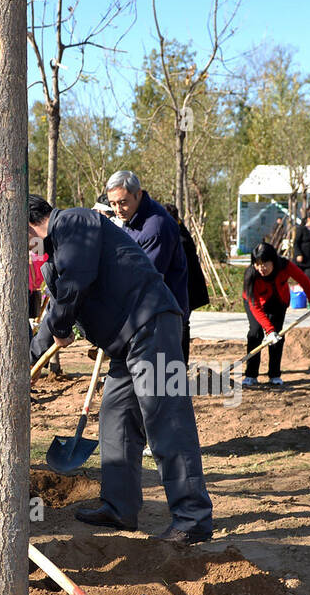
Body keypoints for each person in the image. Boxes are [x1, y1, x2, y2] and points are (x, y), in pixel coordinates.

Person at [28, 194, 212, 544]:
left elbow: (76, 282)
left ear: (28, 224)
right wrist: (30, 357)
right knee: (115, 419)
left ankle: (192, 518)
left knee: (165, 419)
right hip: (125, 344)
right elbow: (58, 305)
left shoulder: (73, 222)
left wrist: (64, 326)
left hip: (150, 325)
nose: (27, 250)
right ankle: (120, 506)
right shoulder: (57, 248)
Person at [104, 170, 189, 315]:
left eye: (123, 202)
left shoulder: (156, 227)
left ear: (138, 194)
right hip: (145, 311)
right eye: (113, 204)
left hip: (163, 315)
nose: (118, 210)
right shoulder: (132, 218)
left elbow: (145, 279)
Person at [241, 242, 310, 387]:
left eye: (264, 264)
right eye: (257, 264)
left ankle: (274, 375)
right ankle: (251, 375)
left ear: (273, 261)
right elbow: (255, 306)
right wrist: (268, 330)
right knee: (255, 333)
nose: (261, 268)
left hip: (278, 301)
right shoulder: (251, 276)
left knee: (277, 337)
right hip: (255, 302)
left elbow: (303, 279)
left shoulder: (284, 266)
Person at [164, 202, 210, 364]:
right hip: (184, 288)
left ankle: (180, 365)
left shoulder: (180, 237)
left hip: (186, 289)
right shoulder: (179, 230)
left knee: (182, 326)